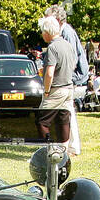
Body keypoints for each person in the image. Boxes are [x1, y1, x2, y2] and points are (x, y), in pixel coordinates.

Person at [45, 4, 88, 157]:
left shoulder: (67, 33)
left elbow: (72, 59)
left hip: (73, 76)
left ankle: (71, 146)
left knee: (66, 111)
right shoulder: (63, 32)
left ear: (57, 20)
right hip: (70, 76)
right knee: (66, 111)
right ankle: (69, 145)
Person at [36, 16, 75, 146]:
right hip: (69, 88)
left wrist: (47, 91)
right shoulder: (68, 45)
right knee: (63, 120)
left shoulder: (52, 48)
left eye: (42, 32)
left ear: (47, 32)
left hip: (56, 89)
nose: (42, 35)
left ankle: (48, 149)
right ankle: (63, 151)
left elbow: (50, 73)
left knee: (41, 121)